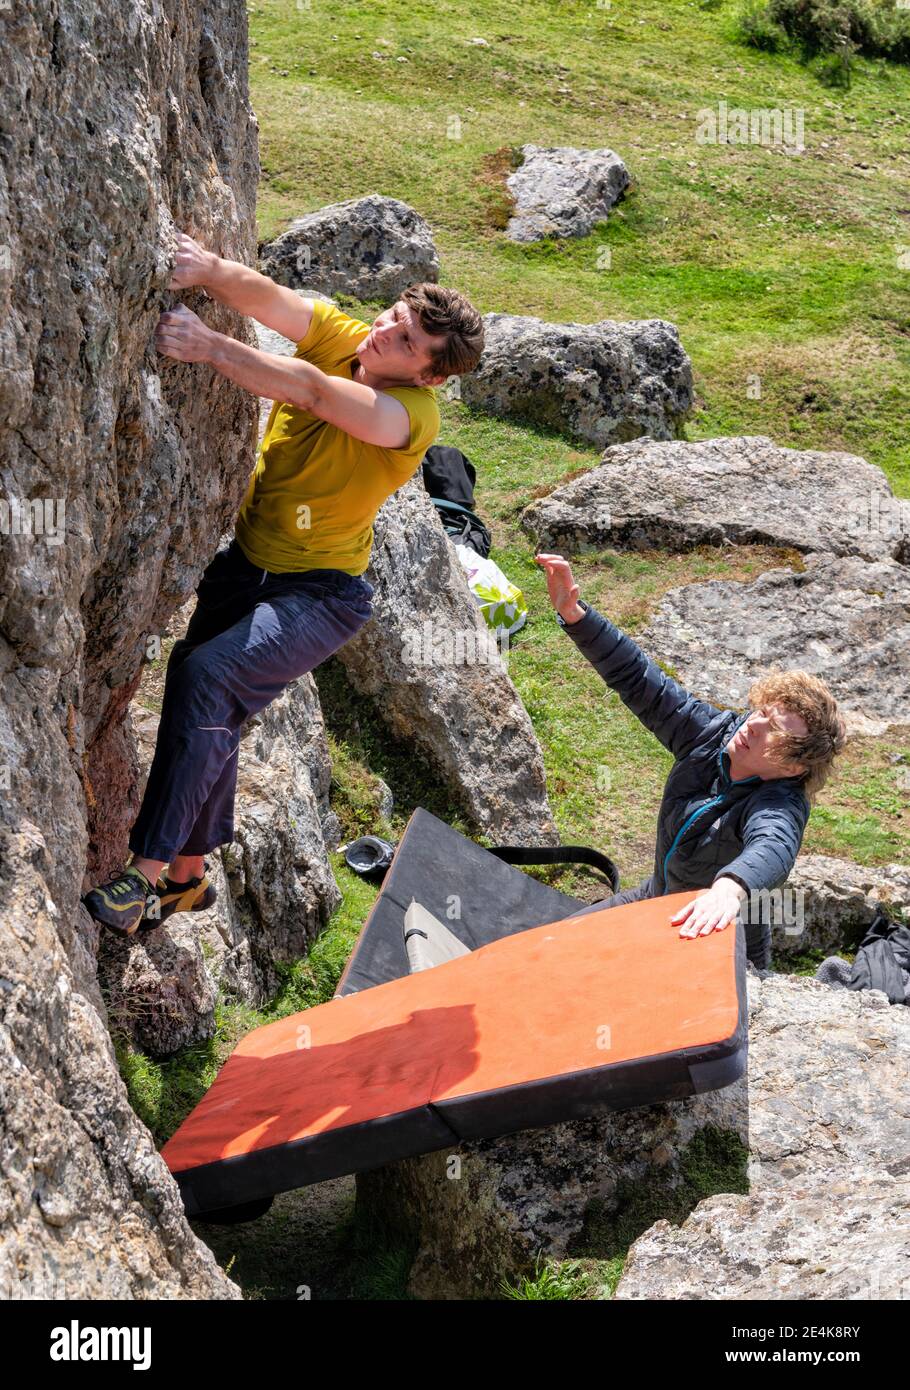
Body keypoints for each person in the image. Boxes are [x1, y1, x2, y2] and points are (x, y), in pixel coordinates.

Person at [83, 231, 485, 936]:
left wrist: (209, 345)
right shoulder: (354, 339)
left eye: (408, 339)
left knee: (209, 676)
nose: (386, 332)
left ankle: (142, 880)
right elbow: (272, 301)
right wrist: (209, 270)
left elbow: (304, 387)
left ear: (430, 376)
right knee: (207, 698)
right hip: (249, 563)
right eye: (394, 315)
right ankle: (186, 879)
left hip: (320, 595)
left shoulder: (408, 417)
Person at [535, 552, 846, 967]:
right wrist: (575, 614)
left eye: (775, 731)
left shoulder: (780, 802)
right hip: (653, 900)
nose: (753, 726)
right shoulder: (712, 733)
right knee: (547, 951)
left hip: (715, 942)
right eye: (762, 712)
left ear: (792, 767)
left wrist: (729, 888)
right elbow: (641, 680)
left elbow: (775, 845)